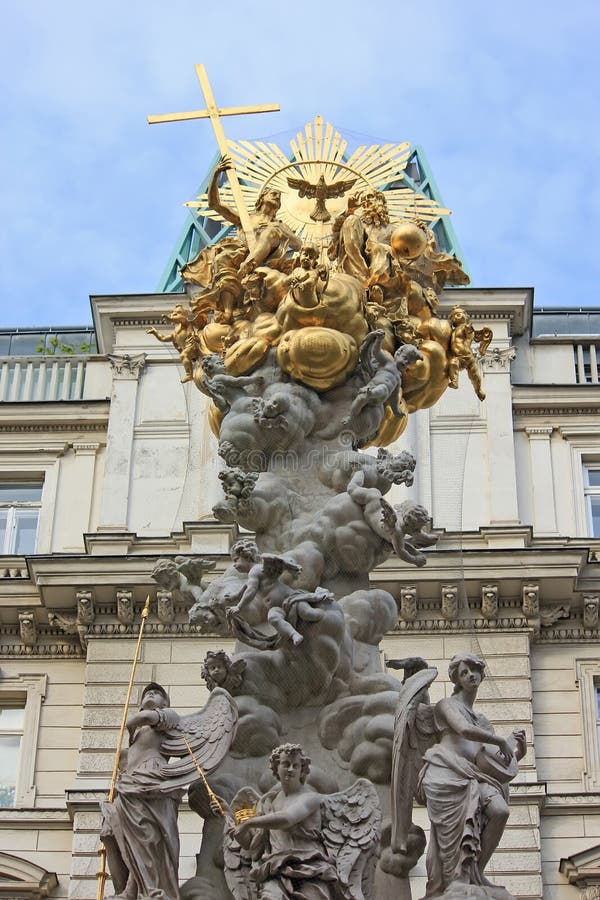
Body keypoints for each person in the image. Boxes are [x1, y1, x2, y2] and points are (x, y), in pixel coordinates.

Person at [417, 654, 526, 897]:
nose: (471, 675)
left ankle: (476, 872)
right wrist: (500, 740)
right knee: (451, 836)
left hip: (475, 776)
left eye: (475, 670)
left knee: (500, 811)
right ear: (456, 678)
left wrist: (519, 752)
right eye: (465, 672)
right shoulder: (447, 705)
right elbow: (464, 730)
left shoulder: (483, 721)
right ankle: (456, 878)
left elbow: (494, 763)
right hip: (446, 771)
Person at [100, 683, 182, 900]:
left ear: (166, 703)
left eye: (157, 694)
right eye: (147, 693)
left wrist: (130, 725)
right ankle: (127, 889)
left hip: (151, 783)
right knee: (113, 834)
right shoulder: (138, 735)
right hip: (128, 786)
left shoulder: (167, 717)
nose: (151, 695)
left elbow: (136, 720)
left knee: (147, 837)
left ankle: (141, 889)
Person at [234, 743, 338, 899]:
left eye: (296, 765)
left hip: (309, 871)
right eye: (286, 764)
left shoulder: (311, 798)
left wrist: (249, 822)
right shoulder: (269, 803)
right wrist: (233, 822)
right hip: (276, 872)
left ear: (302, 770)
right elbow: (252, 845)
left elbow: (287, 819)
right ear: (276, 768)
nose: (291, 769)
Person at [208, 156, 302, 277]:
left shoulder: (280, 225)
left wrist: (281, 229)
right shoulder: (246, 219)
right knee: (220, 259)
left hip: (269, 261)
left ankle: (249, 265)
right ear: (262, 197)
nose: (277, 197)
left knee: (271, 232)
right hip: (244, 253)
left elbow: (299, 245)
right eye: (273, 194)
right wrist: (215, 175)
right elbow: (214, 204)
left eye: (279, 197)